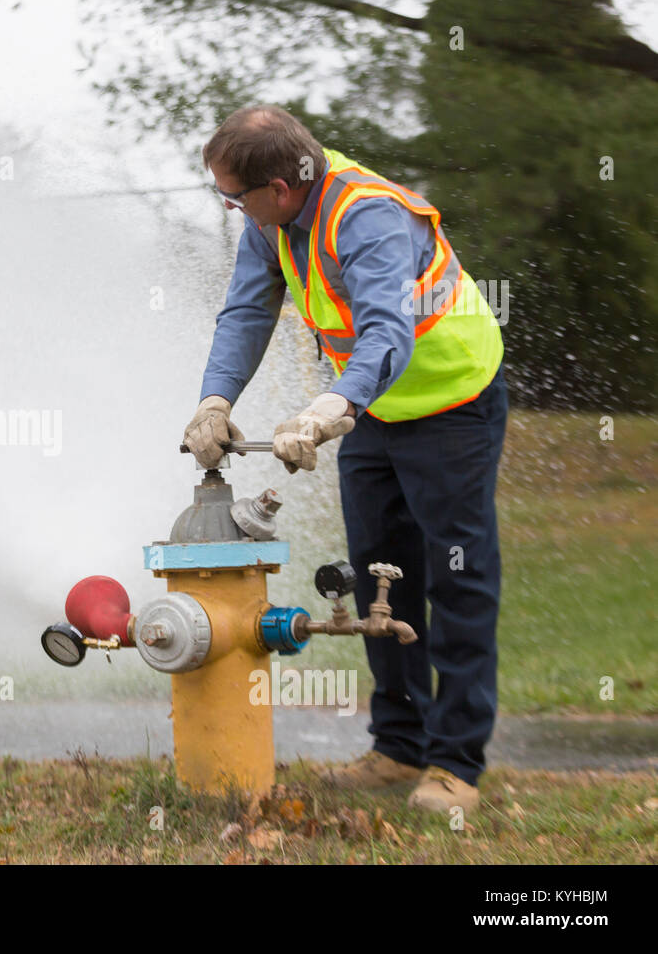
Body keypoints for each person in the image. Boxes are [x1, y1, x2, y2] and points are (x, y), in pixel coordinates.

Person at [182, 104, 507, 816]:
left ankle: (455, 764)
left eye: (235, 196)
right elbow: (245, 312)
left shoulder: (369, 218)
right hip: (374, 414)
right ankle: (398, 747)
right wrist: (215, 402)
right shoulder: (272, 222)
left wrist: (329, 408)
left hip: (453, 407)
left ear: (279, 185)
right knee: (380, 576)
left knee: (458, 581)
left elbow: (387, 331)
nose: (233, 209)